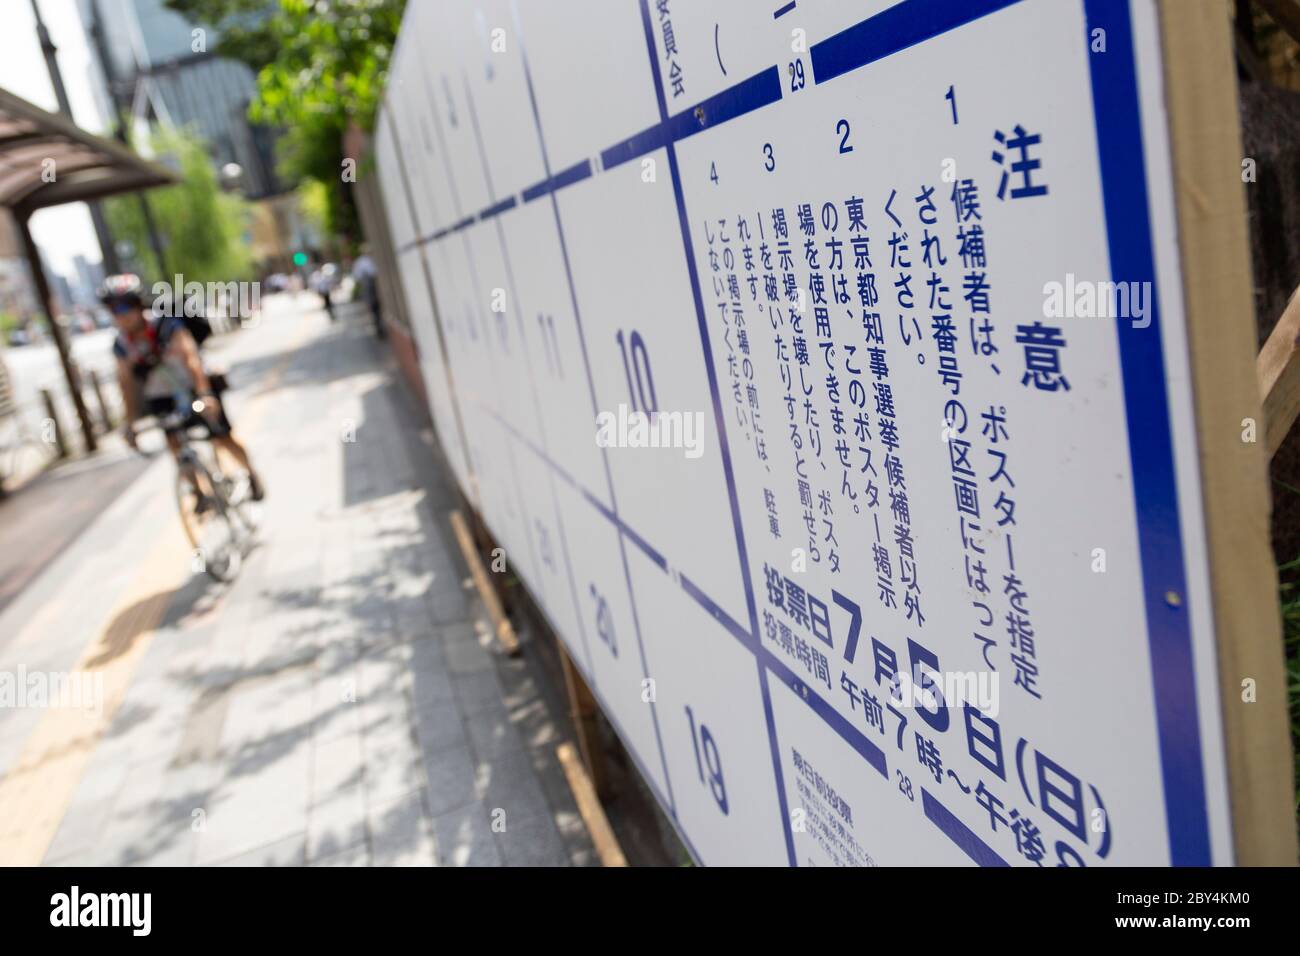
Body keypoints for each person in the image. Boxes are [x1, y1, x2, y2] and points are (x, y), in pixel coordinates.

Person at [103, 274, 264, 501]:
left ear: (139, 304)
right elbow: (126, 384)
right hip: (161, 396)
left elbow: (191, 359)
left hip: (194, 386)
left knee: (221, 438)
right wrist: (129, 424)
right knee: (174, 444)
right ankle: (199, 493)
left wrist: (205, 394)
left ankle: (251, 473)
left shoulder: (165, 324)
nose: (121, 315)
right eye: (114, 309)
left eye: (125, 306)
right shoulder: (121, 344)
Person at [351, 247, 385, 339]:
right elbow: (373, 272)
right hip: (370, 286)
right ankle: (379, 329)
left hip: (366, 286)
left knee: (374, 308)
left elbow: (356, 276)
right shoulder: (366, 261)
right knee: (375, 308)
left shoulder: (359, 262)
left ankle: (378, 328)